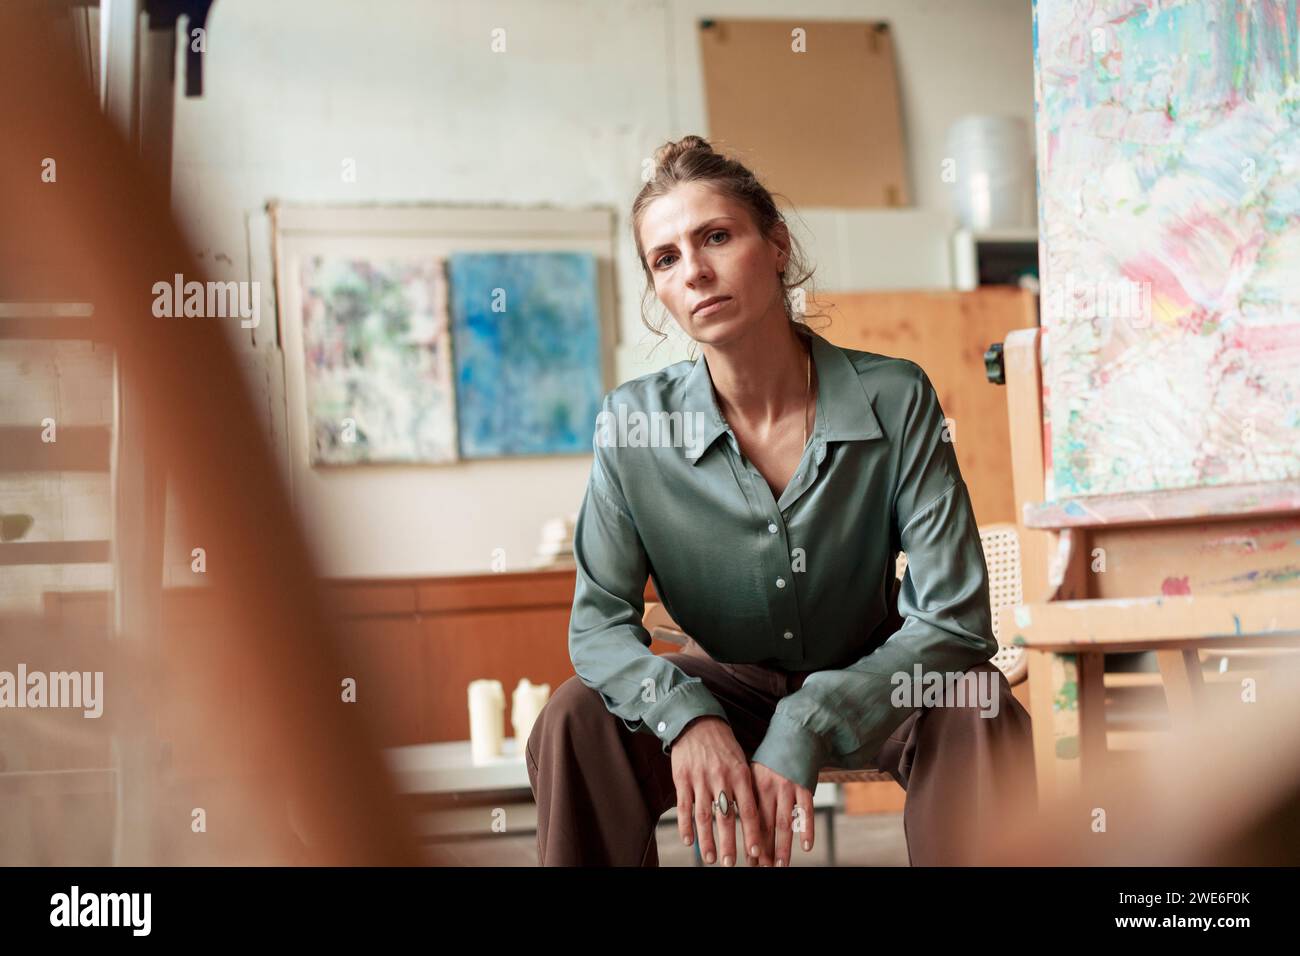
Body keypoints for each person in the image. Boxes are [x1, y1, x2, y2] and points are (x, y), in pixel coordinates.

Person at [526, 135, 1035, 867]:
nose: (695, 271)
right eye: (666, 259)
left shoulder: (895, 396)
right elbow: (598, 628)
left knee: (977, 701)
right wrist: (685, 717)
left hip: (876, 679)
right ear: (658, 289)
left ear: (775, 246)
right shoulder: (633, 426)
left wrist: (812, 716)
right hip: (720, 683)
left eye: (716, 237)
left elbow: (953, 619)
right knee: (574, 716)